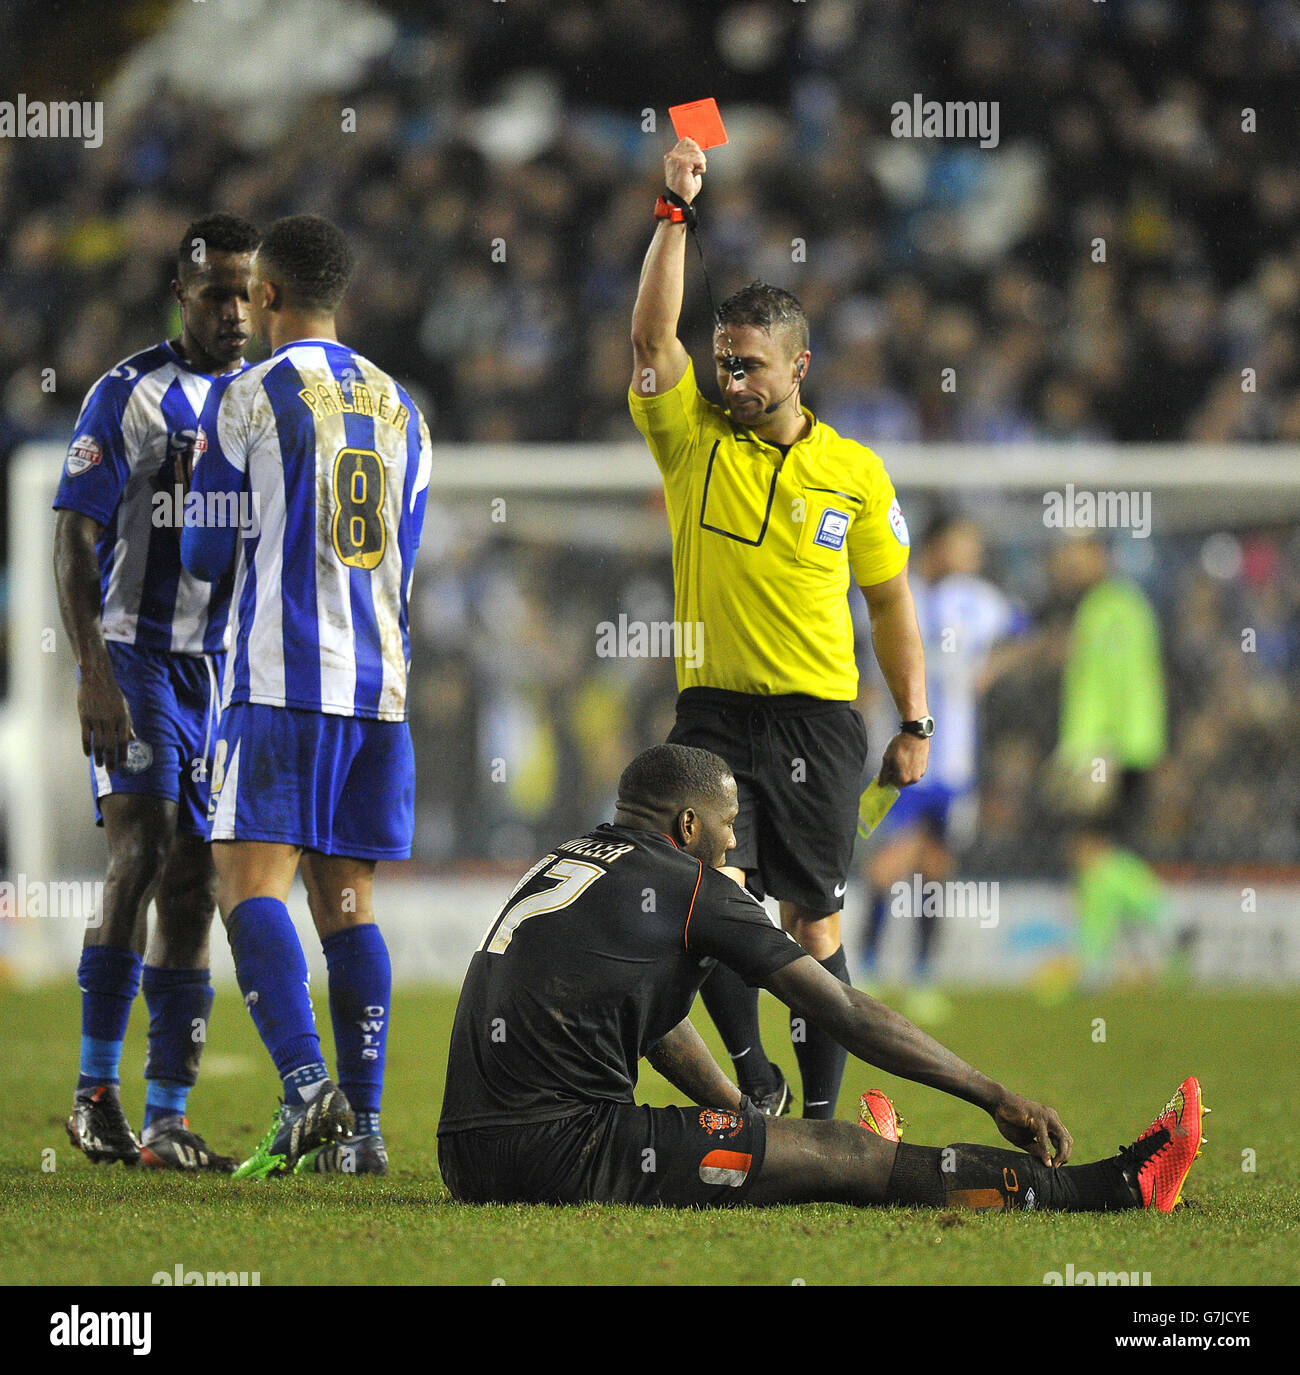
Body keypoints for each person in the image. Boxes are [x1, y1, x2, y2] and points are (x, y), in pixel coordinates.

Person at [437, 743, 1203, 1214]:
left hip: (464, 1153)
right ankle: (1116, 1187)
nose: (739, 839)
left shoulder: (571, 857)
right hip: (561, 1153)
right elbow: (843, 1009)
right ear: (689, 828)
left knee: (803, 1150)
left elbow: (653, 1020)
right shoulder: (693, 883)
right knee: (849, 1155)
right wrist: (995, 1093)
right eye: (731, 823)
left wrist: (742, 1116)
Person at [628, 136, 930, 1120]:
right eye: (723, 364)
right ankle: (753, 1078)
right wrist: (674, 212)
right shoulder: (692, 442)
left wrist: (914, 721)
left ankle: (817, 1116)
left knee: (814, 922)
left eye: (751, 366)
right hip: (712, 716)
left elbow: (889, 602)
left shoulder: (856, 472)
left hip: (818, 723)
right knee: (701, 899)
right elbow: (649, 339)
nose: (732, 381)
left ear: (799, 365)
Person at [181, 214, 432, 1177]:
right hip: (380, 691)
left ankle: (303, 1088)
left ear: (265, 296)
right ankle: (362, 1132)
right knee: (347, 904)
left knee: (246, 884)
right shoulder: (401, 404)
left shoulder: (245, 396)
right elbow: (403, 549)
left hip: (280, 680)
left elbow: (203, 556)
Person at [53, 213, 259, 1172]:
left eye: (245, 293)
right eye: (214, 292)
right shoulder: (127, 395)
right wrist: (93, 669)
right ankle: (96, 1096)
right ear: (182, 293)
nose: (232, 311)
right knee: (141, 845)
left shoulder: (267, 403)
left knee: (196, 877)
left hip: (222, 672)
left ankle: (168, 1117)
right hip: (134, 654)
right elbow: (75, 537)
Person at [861, 515, 1024, 1021]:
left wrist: (992, 670)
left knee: (936, 868)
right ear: (938, 545)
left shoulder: (976, 599)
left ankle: (922, 975)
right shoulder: (895, 589)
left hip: (954, 764)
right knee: (892, 863)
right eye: (964, 542)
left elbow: (1027, 631)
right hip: (903, 757)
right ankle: (865, 966)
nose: (973, 552)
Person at [1047, 536, 1168, 986]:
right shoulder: (1108, 605)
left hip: (1110, 750)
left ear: (1099, 555)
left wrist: (1104, 750)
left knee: (1089, 851)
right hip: (1112, 746)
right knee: (1096, 853)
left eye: (1076, 553)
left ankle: (1165, 925)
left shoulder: (1113, 606)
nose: (1068, 563)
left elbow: (1120, 683)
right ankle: (1098, 962)